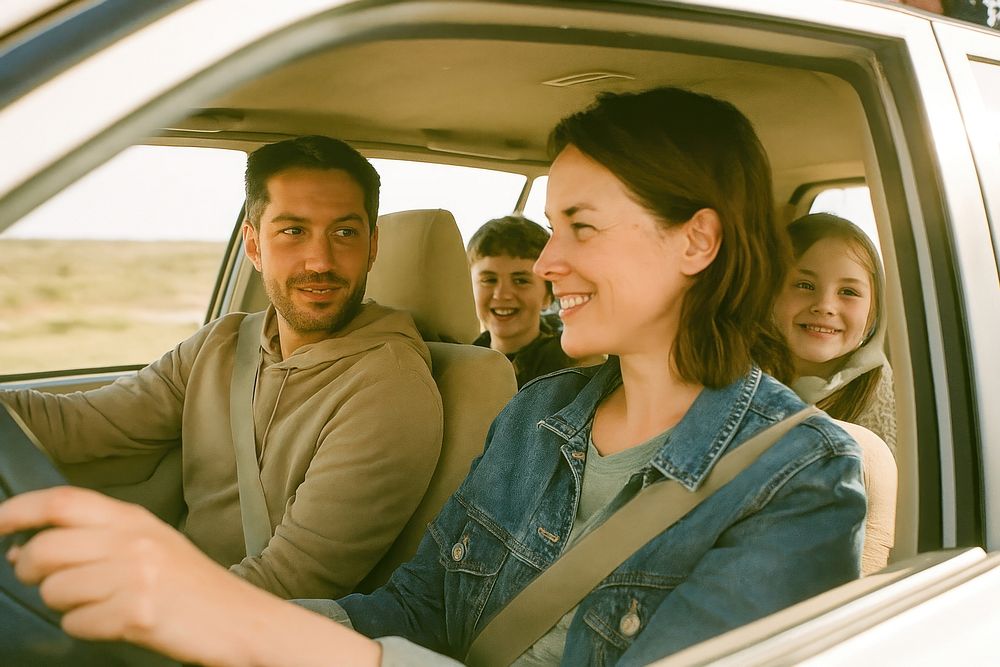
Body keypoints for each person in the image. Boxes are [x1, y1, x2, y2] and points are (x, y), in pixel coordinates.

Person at [0, 88, 866, 666]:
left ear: (696, 242)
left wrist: (237, 620)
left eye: (580, 226)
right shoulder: (540, 413)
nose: (548, 259)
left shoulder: (800, 480)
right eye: (552, 225)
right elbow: (418, 610)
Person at [0, 136, 443, 600]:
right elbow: (81, 424)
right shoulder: (225, 343)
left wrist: (127, 606)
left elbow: (291, 582)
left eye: (345, 233)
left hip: (233, 628)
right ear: (253, 245)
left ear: (373, 246)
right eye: (293, 231)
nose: (321, 261)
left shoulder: (391, 388)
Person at [773, 212, 898, 573]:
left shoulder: (892, 405)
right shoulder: (728, 382)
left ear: (874, 313)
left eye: (849, 292)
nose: (825, 306)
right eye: (804, 285)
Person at [467, 214, 603, 387]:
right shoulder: (463, 364)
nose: (501, 294)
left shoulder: (572, 369)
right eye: (489, 280)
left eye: (521, 281)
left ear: (548, 295)